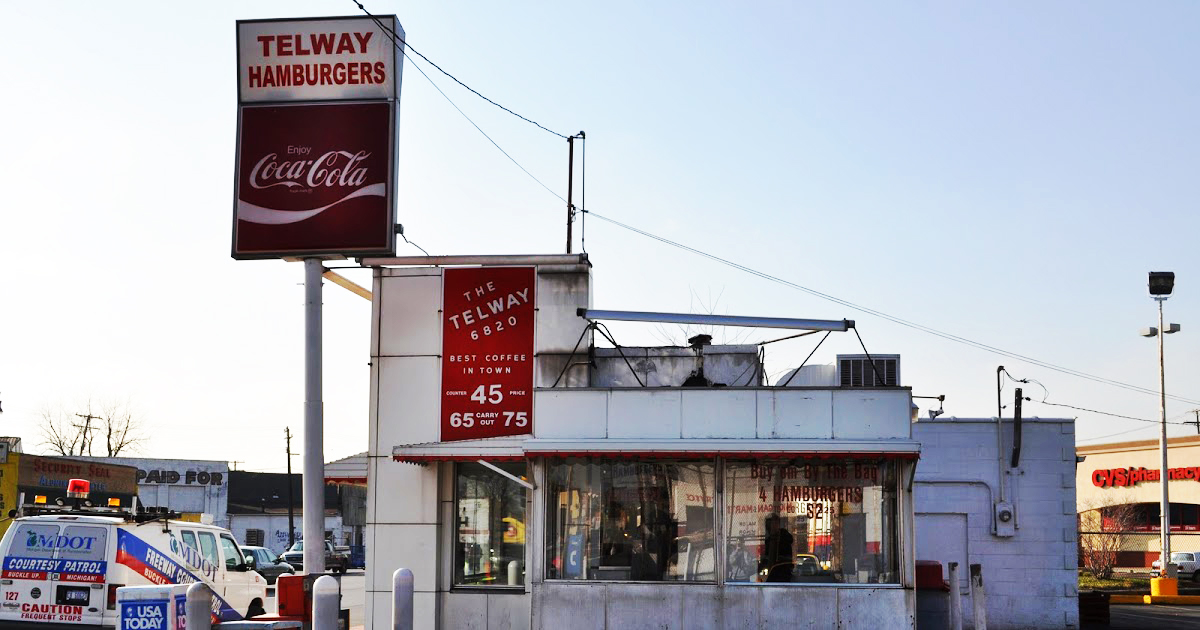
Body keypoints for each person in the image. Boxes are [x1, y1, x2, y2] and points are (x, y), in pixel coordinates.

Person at [758, 514, 794, 582]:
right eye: (769, 525)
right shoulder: (769, 540)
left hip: (783, 571)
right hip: (773, 570)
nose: (771, 527)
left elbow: (784, 556)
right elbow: (767, 556)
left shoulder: (784, 537)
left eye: (774, 524)